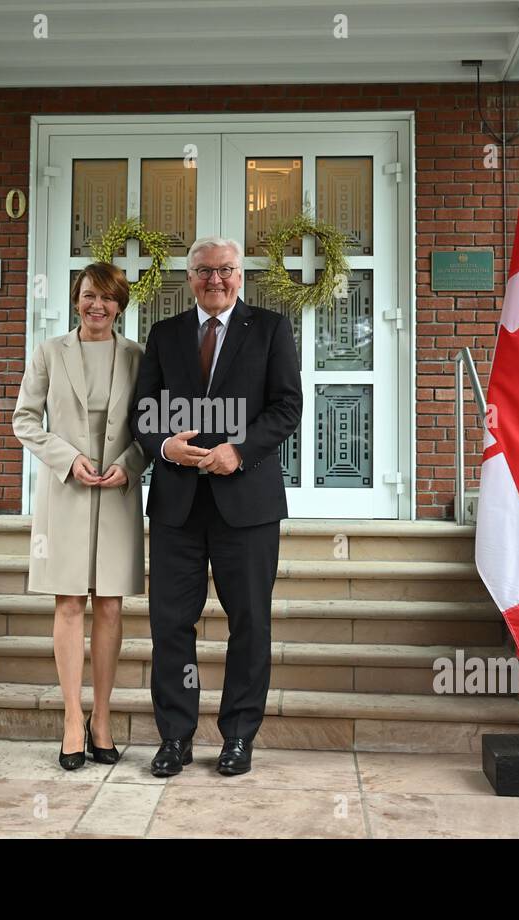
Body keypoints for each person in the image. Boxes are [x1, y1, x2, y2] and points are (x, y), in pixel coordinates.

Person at [128, 236, 302, 777]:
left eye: (224, 270)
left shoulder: (270, 328)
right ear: (190, 278)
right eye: (204, 271)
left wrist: (240, 451)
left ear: (240, 275)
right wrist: (162, 446)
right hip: (178, 506)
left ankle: (238, 737)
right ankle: (175, 738)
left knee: (249, 622)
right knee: (170, 625)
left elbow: (287, 407)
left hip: (247, 505)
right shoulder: (164, 334)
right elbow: (143, 410)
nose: (215, 280)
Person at [12, 262, 149, 770]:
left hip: (116, 491)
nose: (98, 306)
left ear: (120, 305)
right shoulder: (50, 353)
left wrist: (129, 466)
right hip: (66, 491)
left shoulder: (138, 357)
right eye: (90, 295)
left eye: (108, 298)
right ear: (76, 299)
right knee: (69, 601)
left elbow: (151, 426)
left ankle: (102, 719)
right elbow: (25, 420)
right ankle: (72, 718)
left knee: (110, 605)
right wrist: (67, 458)